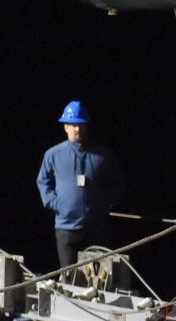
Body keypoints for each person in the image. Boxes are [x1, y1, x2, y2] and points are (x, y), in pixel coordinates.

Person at [36, 100, 124, 270]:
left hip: (96, 229)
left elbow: (118, 182)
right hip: (66, 229)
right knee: (68, 278)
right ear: (65, 127)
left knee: (98, 280)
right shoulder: (53, 154)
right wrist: (55, 203)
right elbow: (42, 181)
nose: (77, 129)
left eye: (81, 124)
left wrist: (107, 204)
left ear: (87, 126)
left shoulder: (103, 155)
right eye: (73, 124)